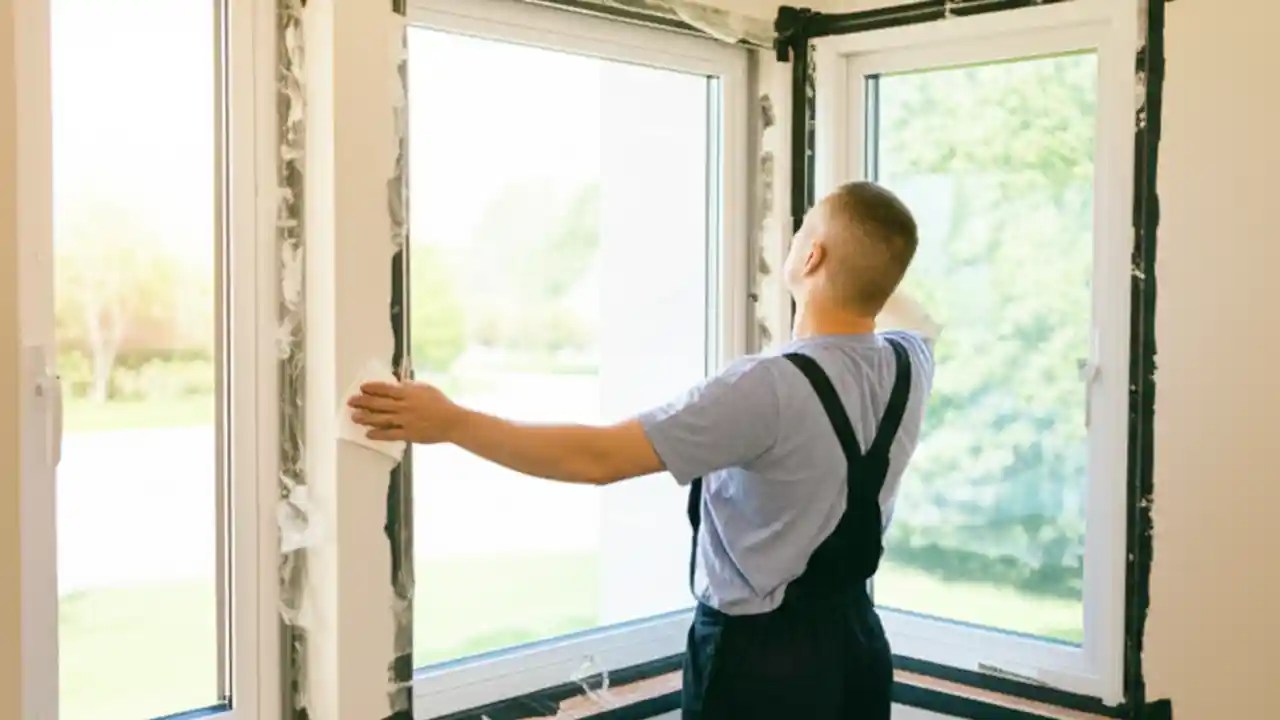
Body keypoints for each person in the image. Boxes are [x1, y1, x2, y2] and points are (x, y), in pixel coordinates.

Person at [349, 181, 940, 719]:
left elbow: (598, 458)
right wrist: (870, 254)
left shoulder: (766, 387)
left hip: (763, 669)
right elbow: (901, 302)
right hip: (858, 647)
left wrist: (452, 421)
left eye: (804, 226)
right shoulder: (909, 360)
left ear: (811, 257)